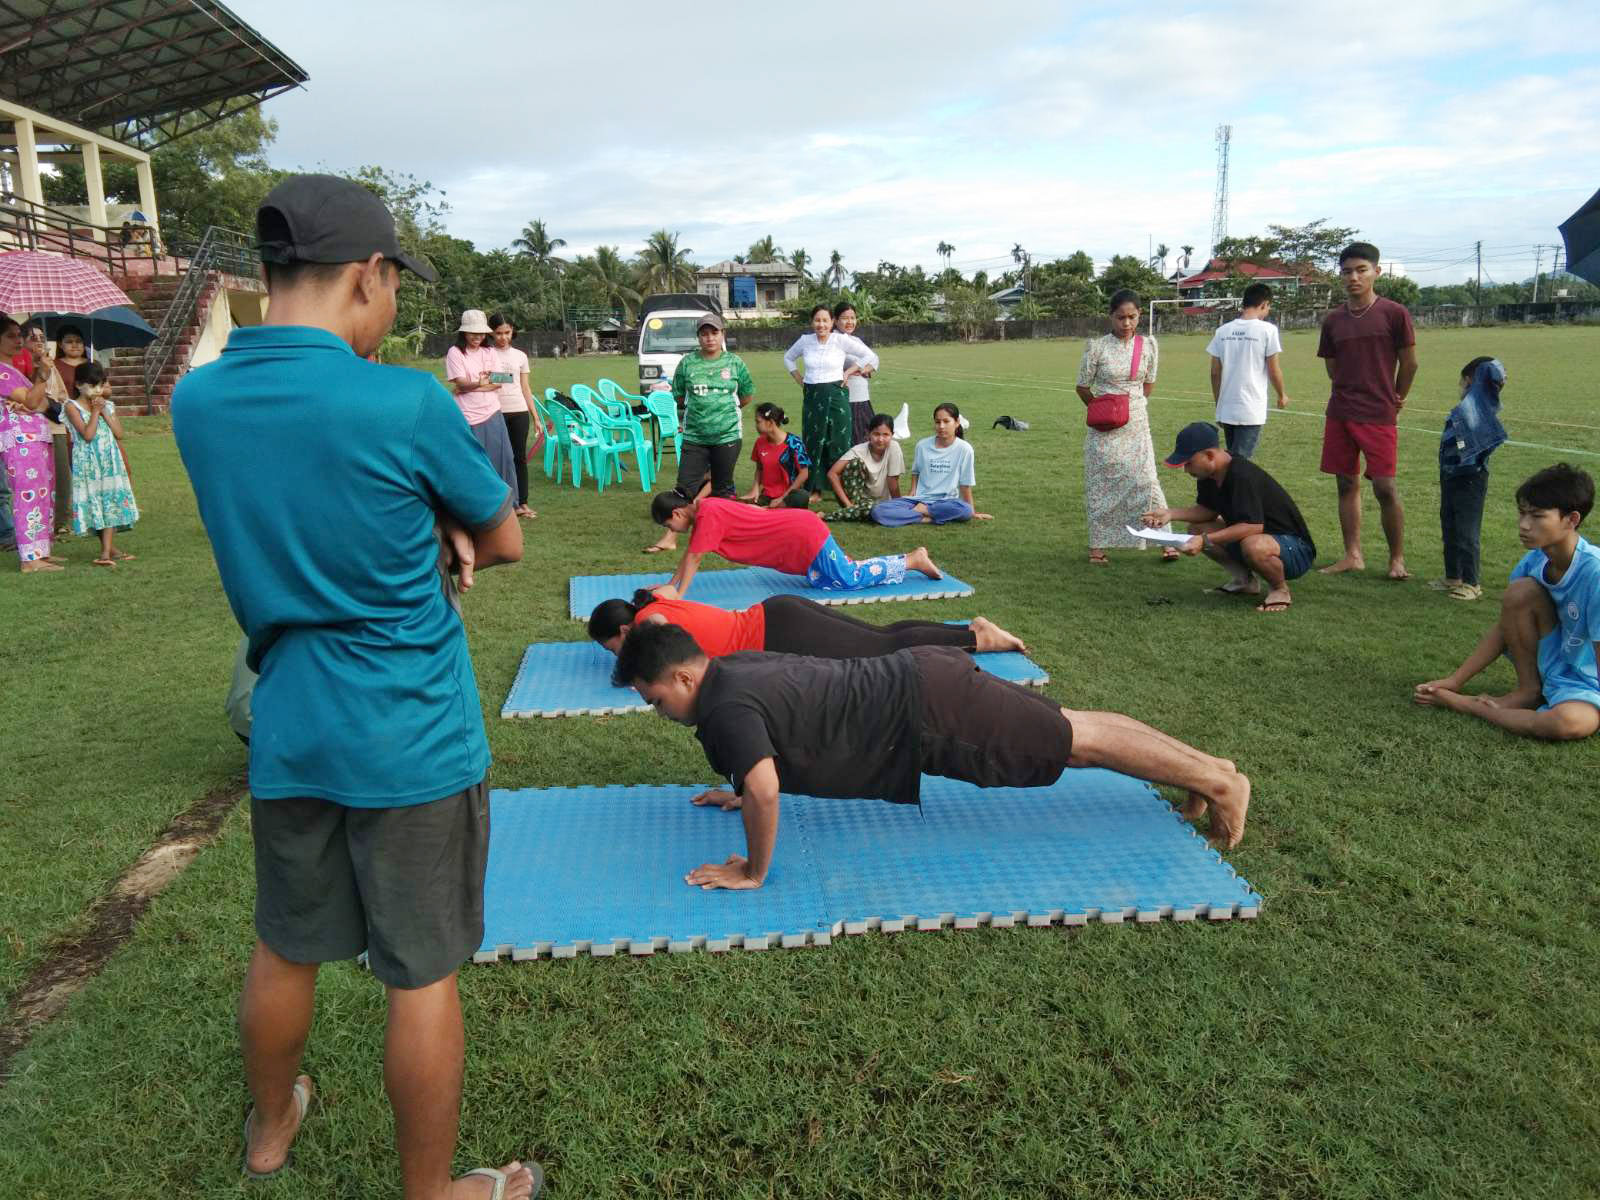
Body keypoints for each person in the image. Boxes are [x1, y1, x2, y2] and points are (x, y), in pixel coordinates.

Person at [169, 174, 540, 1199]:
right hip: (411, 730)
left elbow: (300, 501)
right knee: (420, 975)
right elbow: (503, 539)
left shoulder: (197, 401)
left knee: (285, 946)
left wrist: (423, 521)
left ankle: (271, 1130)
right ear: (369, 275)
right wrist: (448, 525)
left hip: (290, 719)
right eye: (395, 286)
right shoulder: (405, 401)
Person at [612, 622, 1251, 891]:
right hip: (924, 676)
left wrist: (753, 871)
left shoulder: (723, 709)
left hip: (934, 713)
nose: (658, 712)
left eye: (656, 699)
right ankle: (1210, 771)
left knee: (1074, 744)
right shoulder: (732, 668)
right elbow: (776, 730)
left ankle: (1220, 784)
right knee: (1072, 728)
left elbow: (766, 786)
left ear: (685, 678)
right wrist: (741, 783)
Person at [1415, 464, 1599, 741]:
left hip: (1588, 683)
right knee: (1519, 591)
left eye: (1537, 516)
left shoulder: (1595, 573)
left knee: (1568, 723)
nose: (1524, 524)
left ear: (1571, 519)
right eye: (1522, 513)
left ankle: (1471, 706)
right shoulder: (1534, 561)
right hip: (1552, 667)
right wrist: (1455, 680)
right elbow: (1506, 627)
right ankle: (1528, 691)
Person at [1316, 242, 1418, 580]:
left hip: (1378, 413)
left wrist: (1397, 396)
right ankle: (1353, 555)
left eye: (1361, 270)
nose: (1354, 278)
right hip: (1341, 412)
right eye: (1347, 272)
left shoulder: (1394, 313)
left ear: (1376, 271)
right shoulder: (1333, 320)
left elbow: (1410, 363)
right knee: (1346, 483)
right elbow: (1332, 367)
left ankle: (1397, 559)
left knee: (1385, 487)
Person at [1144, 422, 1316, 614]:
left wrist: (1204, 540)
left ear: (1210, 455)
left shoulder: (1241, 474)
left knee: (1253, 544)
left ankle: (1279, 590)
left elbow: (1253, 526)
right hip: (1259, 538)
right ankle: (1245, 581)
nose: (1185, 470)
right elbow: (1208, 511)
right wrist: (1170, 514)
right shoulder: (1208, 475)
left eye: (1189, 463)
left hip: (1295, 549)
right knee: (1197, 528)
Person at [589, 585, 1025, 658]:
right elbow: (665, 595)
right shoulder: (651, 601)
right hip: (777, 614)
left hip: (781, 631)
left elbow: (658, 633)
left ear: (625, 630)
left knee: (883, 647)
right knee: (882, 636)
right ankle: (972, 632)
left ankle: (978, 638)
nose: (619, 655)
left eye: (615, 648)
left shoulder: (647, 620)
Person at [651, 492, 942, 596]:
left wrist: (679, 594)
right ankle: (907, 560)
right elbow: (691, 554)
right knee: (825, 580)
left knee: (848, 578)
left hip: (803, 533)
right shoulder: (706, 508)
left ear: (677, 513)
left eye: (668, 526)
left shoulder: (707, 515)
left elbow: (695, 558)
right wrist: (670, 583)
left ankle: (912, 560)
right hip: (799, 530)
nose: (672, 531)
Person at [1075, 290, 1177, 565]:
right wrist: (1102, 410)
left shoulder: (1148, 346)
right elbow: (1082, 386)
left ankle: (1166, 541)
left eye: (1132, 317)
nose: (1127, 323)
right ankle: (1098, 546)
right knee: (1101, 485)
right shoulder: (1097, 347)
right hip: (1103, 429)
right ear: (1111, 317)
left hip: (1137, 424)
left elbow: (1149, 383)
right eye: (1121, 318)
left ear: (1140, 315)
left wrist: (1131, 407)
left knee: (1147, 481)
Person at [1430, 357, 1507, 601]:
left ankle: (1472, 583)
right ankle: (1453, 576)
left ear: (1471, 380)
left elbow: (1480, 444)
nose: (1460, 386)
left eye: (1462, 381)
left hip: (1470, 480)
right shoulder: (1467, 409)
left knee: (1466, 531)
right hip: (1450, 475)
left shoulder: (1478, 411)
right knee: (1449, 526)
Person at [783, 305, 876, 495]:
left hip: (837, 394)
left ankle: (843, 487)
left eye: (825, 320)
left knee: (838, 439)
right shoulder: (805, 341)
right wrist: (799, 378)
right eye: (817, 320)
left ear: (832, 322)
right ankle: (815, 488)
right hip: (812, 395)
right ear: (812, 322)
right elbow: (788, 358)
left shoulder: (840, 340)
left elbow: (869, 355)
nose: (821, 325)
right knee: (814, 440)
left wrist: (848, 372)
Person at [669, 310, 754, 501]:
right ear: (698, 337)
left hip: (727, 435)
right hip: (694, 437)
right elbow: (679, 396)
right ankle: (686, 513)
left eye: (714, 333)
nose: (710, 338)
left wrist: (723, 410)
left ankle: (718, 516)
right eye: (704, 334)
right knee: (684, 489)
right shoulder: (687, 363)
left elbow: (746, 395)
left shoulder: (735, 363)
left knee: (722, 489)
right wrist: (701, 409)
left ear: (723, 334)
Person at [62, 362, 139, 566]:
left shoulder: (107, 405)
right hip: (88, 463)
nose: (97, 390)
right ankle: (108, 551)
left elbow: (119, 433)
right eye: (92, 385)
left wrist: (104, 411)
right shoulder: (72, 406)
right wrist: (95, 412)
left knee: (109, 500)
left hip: (109, 461)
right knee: (96, 503)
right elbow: (87, 435)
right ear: (78, 384)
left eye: (100, 385)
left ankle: (106, 552)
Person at [0, 317, 60, 572]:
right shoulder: (2, 373)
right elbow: (34, 402)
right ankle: (30, 558)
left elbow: (40, 403)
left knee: (44, 495)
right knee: (29, 496)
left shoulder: (14, 371)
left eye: (19, 335)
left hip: (36, 438)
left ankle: (41, 551)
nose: (19, 340)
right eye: (11, 336)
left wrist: (38, 377)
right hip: (21, 441)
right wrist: (43, 375)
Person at [1205, 282, 1289, 459]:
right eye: (1269, 307)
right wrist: (1282, 394)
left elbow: (1214, 373)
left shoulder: (1222, 331)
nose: (1268, 311)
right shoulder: (1268, 330)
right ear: (1264, 304)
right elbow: (1273, 370)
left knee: (1232, 460)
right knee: (1240, 464)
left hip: (1227, 407)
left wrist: (1219, 404)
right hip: (1250, 408)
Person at [871, 402, 991, 525]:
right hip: (918, 500)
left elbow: (965, 484)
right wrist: (912, 492)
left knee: (965, 510)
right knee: (878, 511)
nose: (941, 426)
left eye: (946, 421)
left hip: (947, 501)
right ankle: (926, 518)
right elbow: (916, 472)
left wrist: (972, 512)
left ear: (957, 422)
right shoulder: (922, 445)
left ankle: (923, 511)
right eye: (938, 422)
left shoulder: (965, 449)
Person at [444, 308, 520, 500]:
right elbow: (461, 382)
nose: (477, 337)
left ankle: (508, 503)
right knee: (474, 462)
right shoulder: (455, 353)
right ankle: (478, 503)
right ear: (464, 332)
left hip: (492, 412)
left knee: (504, 459)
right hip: (467, 415)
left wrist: (472, 386)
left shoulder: (489, 351)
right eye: (472, 332)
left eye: (481, 333)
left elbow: (502, 380)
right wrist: (480, 382)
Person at [24, 321, 73, 536]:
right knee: (35, 480)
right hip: (29, 430)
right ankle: (38, 522)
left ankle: (61, 521)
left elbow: (62, 396)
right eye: (33, 338)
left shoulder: (50, 367)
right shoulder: (18, 367)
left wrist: (51, 402)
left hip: (54, 427)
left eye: (42, 338)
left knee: (62, 477)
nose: (39, 342)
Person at [488, 313, 538, 520]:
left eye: (507, 332)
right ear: (491, 333)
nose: (503, 337)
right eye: (498, 333)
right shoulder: (485, 353)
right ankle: (501, 504)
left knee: (519, 458)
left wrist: (535, 416)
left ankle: (522, 502)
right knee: (498, 458)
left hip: (519, 410)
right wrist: (506, 377)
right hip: (494, 411)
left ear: (512, 331)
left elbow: (525, 387)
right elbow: (482, 378)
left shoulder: (520, 356)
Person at [823, 413, 904, 523]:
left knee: (875, 510)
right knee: (855, 463)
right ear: (869, 434)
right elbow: (832, 474)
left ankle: (843, 514)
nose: (880, 439)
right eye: (876, 434)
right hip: (857, 499)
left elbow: (892, 480)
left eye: (886, 435)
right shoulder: (858, 450)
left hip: (881, 503)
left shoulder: (894, 447)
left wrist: (898, 505)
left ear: (892, 435)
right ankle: (852, 510)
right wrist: (848, 504)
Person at [742, 402, 810, 507]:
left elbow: (804, 473)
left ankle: (768, 510)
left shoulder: (794, 443)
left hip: (788, 497)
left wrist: (782, 498)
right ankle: (767, 509)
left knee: (802, 496)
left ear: (770, 423)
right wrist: (755, 489)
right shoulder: (759, 442)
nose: (756, 426)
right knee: (740, 505)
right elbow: (759, 468)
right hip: (766, 497)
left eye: (758, 422)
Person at [833, 301, 882, 444]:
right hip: (848, 400)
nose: (850, 322)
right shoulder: (834, 340)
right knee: (854, 442)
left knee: (867, 440)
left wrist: (862, 369)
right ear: (835, 320)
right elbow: (843, 361)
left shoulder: (855, 340)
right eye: (845, 318)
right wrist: (855, 368)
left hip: (862, 398)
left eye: (852, 318)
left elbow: (875, 359)